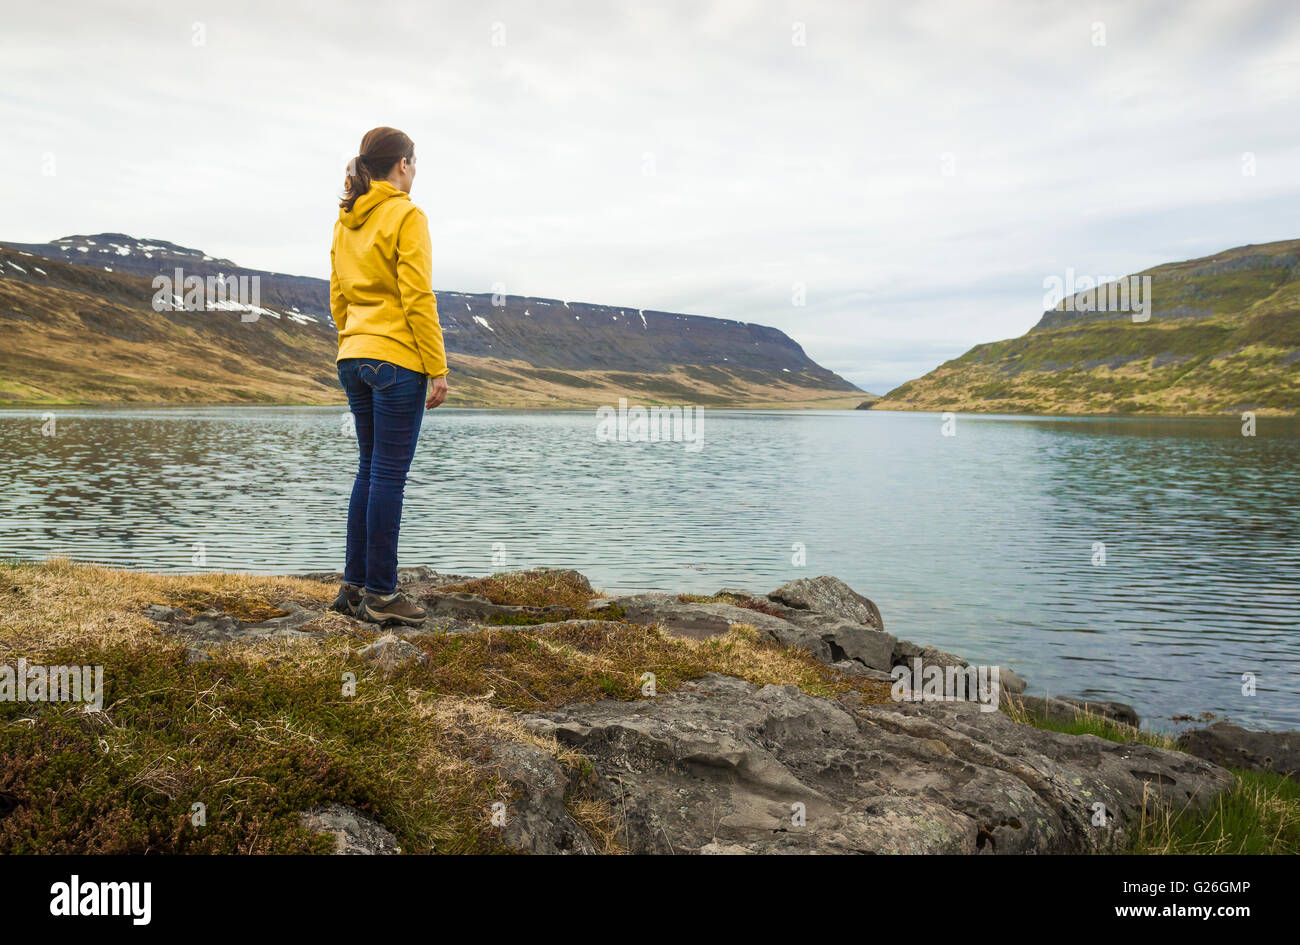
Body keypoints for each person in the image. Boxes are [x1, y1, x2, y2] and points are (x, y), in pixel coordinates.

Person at [328, 126, 448, 625]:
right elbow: (417, 296)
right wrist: (436, 367)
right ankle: (381, 594)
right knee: (388, 476)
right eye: (414, 163)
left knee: (368, 469)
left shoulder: (345, 219)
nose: (415, 172)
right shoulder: (406, 214)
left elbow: (338, 293)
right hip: (397, 360)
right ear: (401, 164)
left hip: (353, 357)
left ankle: (353, 589)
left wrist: (353, 339)